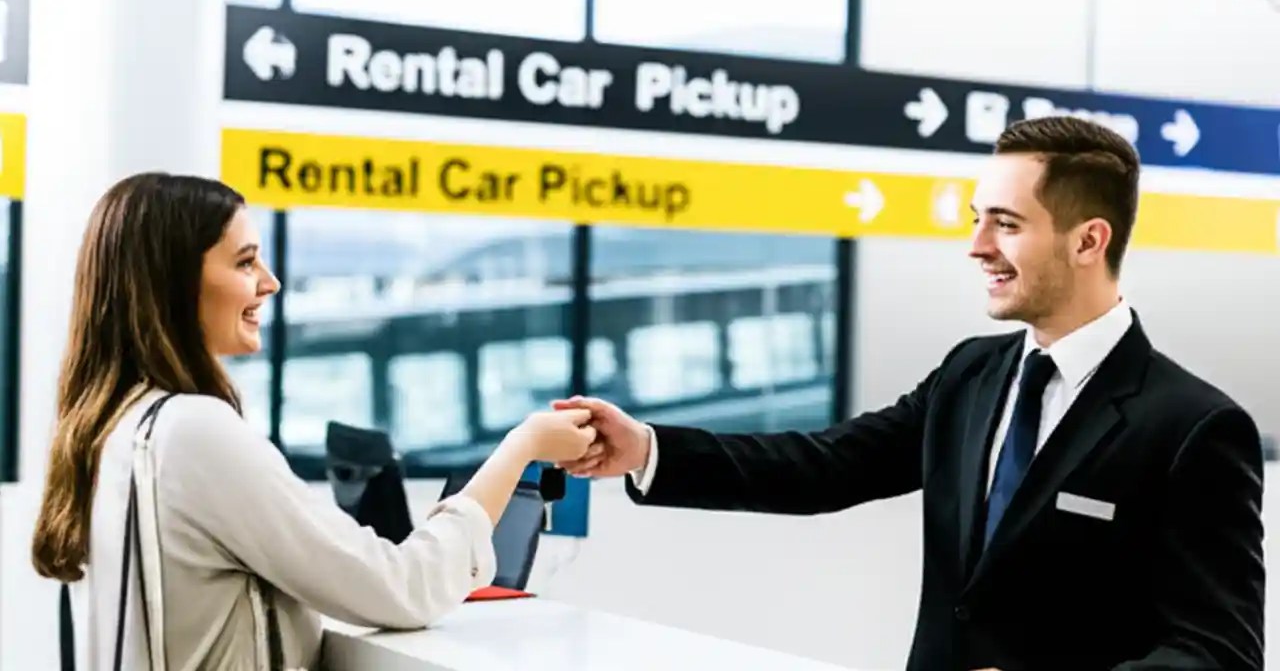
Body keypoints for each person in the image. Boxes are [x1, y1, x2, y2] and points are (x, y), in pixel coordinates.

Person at [555, 116, 1265, 670]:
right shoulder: (970, 375)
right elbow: (826, 464)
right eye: (978, 218)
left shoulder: (1193, 427)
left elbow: (1219, 652)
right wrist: (647, 450)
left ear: (1089, 241)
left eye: (1006, 224)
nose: (977, 245)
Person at [30, 173, 598, 670]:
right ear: (175, 283)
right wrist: (522, 447)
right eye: (245, 261)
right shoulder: (193, 432)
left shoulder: (114, 426)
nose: (270, 282)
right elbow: (403, 588)